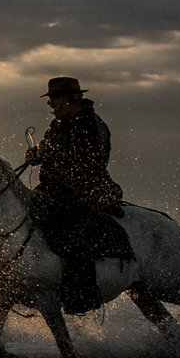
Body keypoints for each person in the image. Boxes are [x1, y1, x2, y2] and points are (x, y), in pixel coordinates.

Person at [23, 76, 127, 310]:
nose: (50, 104)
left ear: (73, 98)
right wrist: (36, 154)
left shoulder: (90, 124)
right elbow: (47, 148)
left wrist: (49, 154)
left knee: (71, 236)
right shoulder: (58, 123)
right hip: (54, 191)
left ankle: (82, 295)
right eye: (50, 99)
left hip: (86, 193)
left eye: (55, 98)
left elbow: (88, 165)